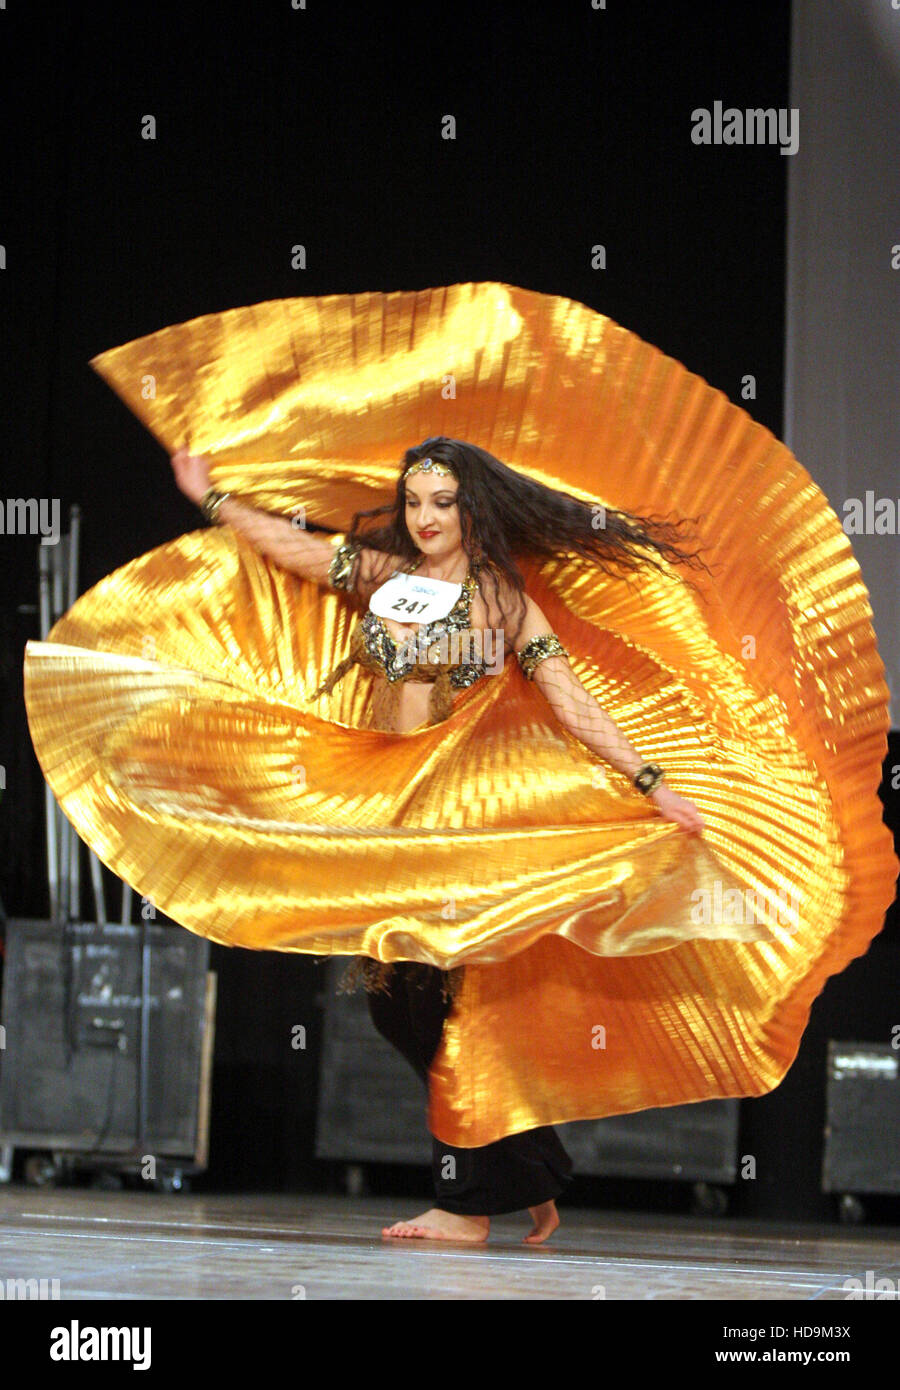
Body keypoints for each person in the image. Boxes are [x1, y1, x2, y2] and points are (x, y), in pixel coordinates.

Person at [170, 434, 707, 1244]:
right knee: (404, 1009)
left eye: (442, 503)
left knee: (439, 1007)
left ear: (472, 509)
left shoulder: (503, 603)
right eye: (414, 501)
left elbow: (571, 704)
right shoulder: (390, 579)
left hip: (458, 829)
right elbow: (298, 551)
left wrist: (651, 782)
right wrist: (211, 500)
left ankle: (465, 1206)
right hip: (394, 824)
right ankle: (527, 1169)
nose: (424, 517)